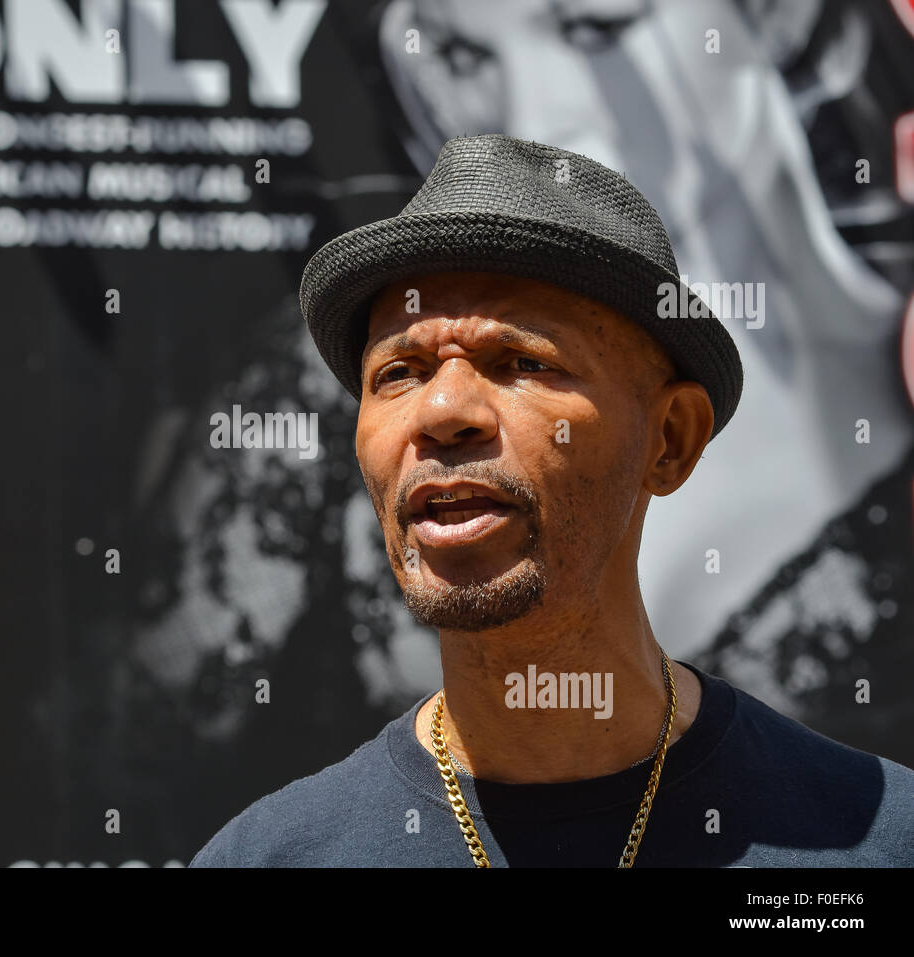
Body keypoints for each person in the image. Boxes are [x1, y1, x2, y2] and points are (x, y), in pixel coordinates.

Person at [189, 133, 914, 867]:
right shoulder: (267, 858)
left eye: (522, 361)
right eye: (399, 371)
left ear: (670, 438)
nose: (442, 409)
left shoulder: (873, 844)